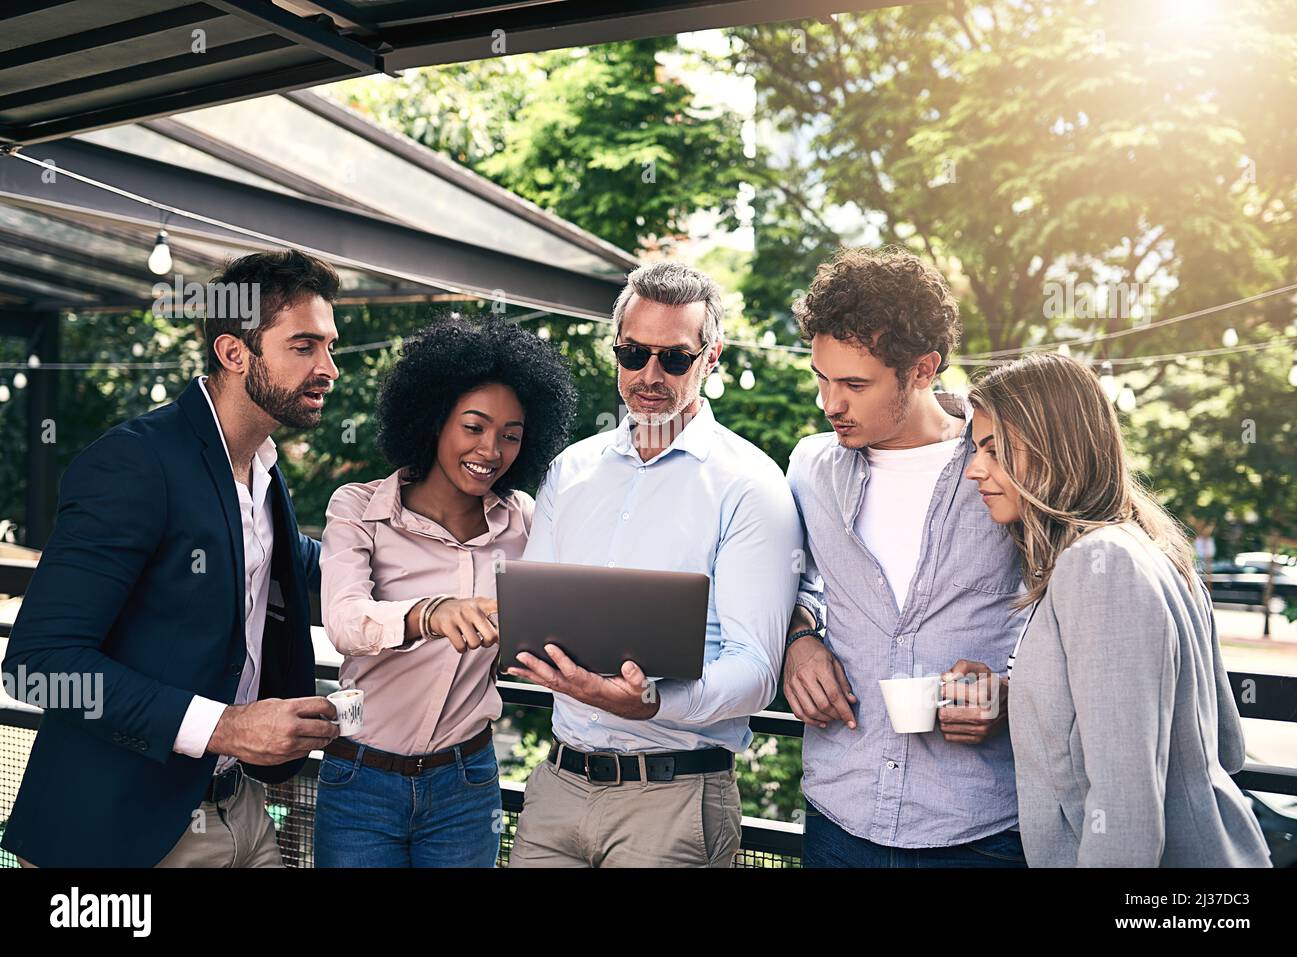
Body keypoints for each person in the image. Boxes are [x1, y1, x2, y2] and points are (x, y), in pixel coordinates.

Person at [1, 250, 342, 867]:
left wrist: (437, 576)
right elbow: (38, 663)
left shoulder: (261, 468)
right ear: (234, 352)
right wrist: (228, 728)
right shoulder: (136, 462)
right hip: (121, 834)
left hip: (241, 810)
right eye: (305, 346)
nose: (330, 368)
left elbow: (299, 564)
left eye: (330, 347)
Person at [506, 261, 802, 868]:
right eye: (633, 352)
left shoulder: (750, 485)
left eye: (674, 359)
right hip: (558, 786)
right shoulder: (572, 470)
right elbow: (534, 615)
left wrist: (649, 704)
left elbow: (755, 672)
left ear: (711, 357)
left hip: (673, 801)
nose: (649, 375)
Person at [965, 352, 1272, 867]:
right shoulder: (1154, 545)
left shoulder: (1098, 565)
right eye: (977, 450)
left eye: (995, 450)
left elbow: (1124, 816)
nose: (975, 469)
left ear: (1054, 447)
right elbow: (1228, 744)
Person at [783, 246, 1030, 868]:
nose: (829, 404)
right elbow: (803, 581)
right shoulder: (810, 467)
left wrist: (1011, 693)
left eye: (854, 384)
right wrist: (798, 639)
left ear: (923, 369)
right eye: (821, 378)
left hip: (981, 826)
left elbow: (1062, 609)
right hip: (840, 817)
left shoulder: (1007, 465)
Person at [315, 315, 575, 867]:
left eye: (511, 435)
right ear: (435, 421)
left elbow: (558, 611)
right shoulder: (358, 509)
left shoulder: (522, 521)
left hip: (466, 783)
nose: (491, 450)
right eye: (474, 426)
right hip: (361, 778)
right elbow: (344, 622)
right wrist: (430, 615)